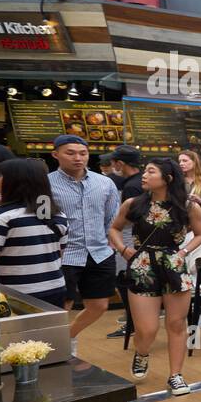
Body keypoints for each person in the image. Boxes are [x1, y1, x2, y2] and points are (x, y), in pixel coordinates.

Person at [108, 157, 201, 395]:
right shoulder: (133, 203)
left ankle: (176, 375)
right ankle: (141, 353)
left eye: (150, 172)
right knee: (147, 329)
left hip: (174, 265)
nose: (144, 175)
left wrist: (183, 252)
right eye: (145, 171)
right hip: (142, 265)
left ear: (168, 178)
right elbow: (114, 228)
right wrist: (123, 249)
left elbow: (200, 234)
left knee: (176, 324)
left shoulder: (188, 206)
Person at [49, 134, 119, 346]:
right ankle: (52, 347)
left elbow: (112, 217)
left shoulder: (105, 183)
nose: (77, 158)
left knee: (99, 305)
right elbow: (43, 220)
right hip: (65, 254)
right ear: (56, 154)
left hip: (99, 253)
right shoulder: (45, 184)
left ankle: (68, 337)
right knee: (62, 305)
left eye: (83, 153)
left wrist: (111, 244)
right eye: (70, 153)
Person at [0, 158, 69, 307]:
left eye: (0, 177)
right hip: (55, 288)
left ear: (12, 181)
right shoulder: (58, 215)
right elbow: (60, 254)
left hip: (13, 294)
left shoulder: (2, 217)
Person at [107, 145, 145, 340]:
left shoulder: (131, 186)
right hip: (138, 240)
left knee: (125, 281)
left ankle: (132, 324)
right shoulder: (140, 182)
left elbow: (130, 220)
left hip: (131, 239)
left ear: (120, 163)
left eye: (113, 162)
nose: (112, 166)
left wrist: (118, 242)